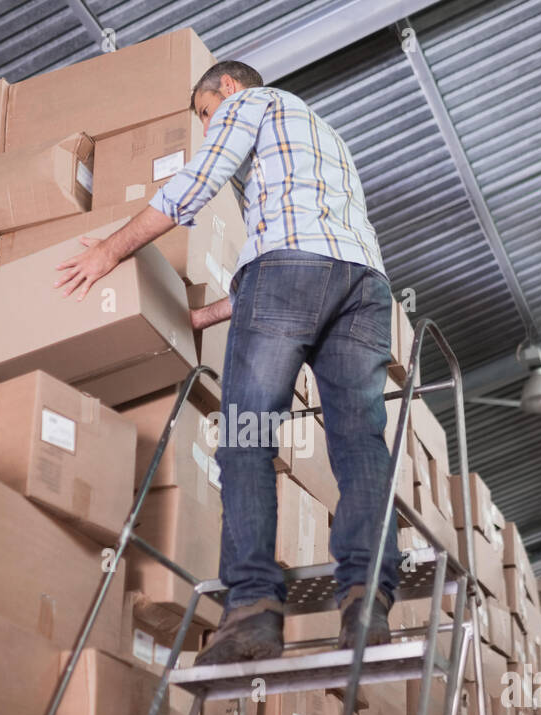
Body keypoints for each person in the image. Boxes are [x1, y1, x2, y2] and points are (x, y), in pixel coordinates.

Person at [56, 60, 401, 665]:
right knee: (360, 444)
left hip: (289, 275)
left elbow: (201, 183)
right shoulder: (328, 140)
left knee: (246, 436)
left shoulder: (252, 105)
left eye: (206, 112)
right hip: (366, 288)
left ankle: (253, 609)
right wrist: (202, 317)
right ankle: (366, 595)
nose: (209, 124)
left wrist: (110, 251)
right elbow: (314, 262)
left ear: (229, 88)